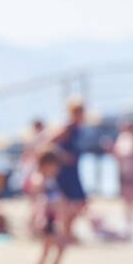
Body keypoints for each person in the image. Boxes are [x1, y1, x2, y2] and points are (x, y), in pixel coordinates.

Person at [45, 98, 88, 237]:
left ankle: (68, 230)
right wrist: (63, 156)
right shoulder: (66, 128)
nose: (80, 114)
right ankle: (66, 231)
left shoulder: (78, 128)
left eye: (81, 111)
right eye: (77, 111)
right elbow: (48, 144)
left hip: (73, 171)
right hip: (65, 172)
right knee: (70, 203)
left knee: (79, 203)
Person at [27, 149, 66, 264]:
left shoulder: (49, 179)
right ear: (46, 164)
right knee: (52, 249)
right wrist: (40, 217)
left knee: (50, 251)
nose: (57, 169)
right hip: (46, 219)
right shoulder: (39, 179)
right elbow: (39, 200)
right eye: (54, 165)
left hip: (51, 218)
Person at [101, 118, 133, 233]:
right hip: (125, 172)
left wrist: (111, 148)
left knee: (131, 199)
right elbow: (120, 155)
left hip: (130, 173)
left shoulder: (132, 138)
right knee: (127, 199)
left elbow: (126, 154)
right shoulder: (125, 137)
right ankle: (130, 224)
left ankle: (132, 225)